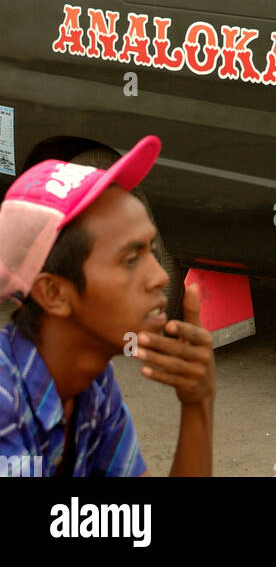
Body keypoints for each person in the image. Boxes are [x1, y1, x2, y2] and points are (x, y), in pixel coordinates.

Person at [0, 136, 214, 477]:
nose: (159, 276)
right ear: (53, 293)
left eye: (150, 250)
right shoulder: (3, 401)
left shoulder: (92, 385)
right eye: (131, 259)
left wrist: (198, 404)